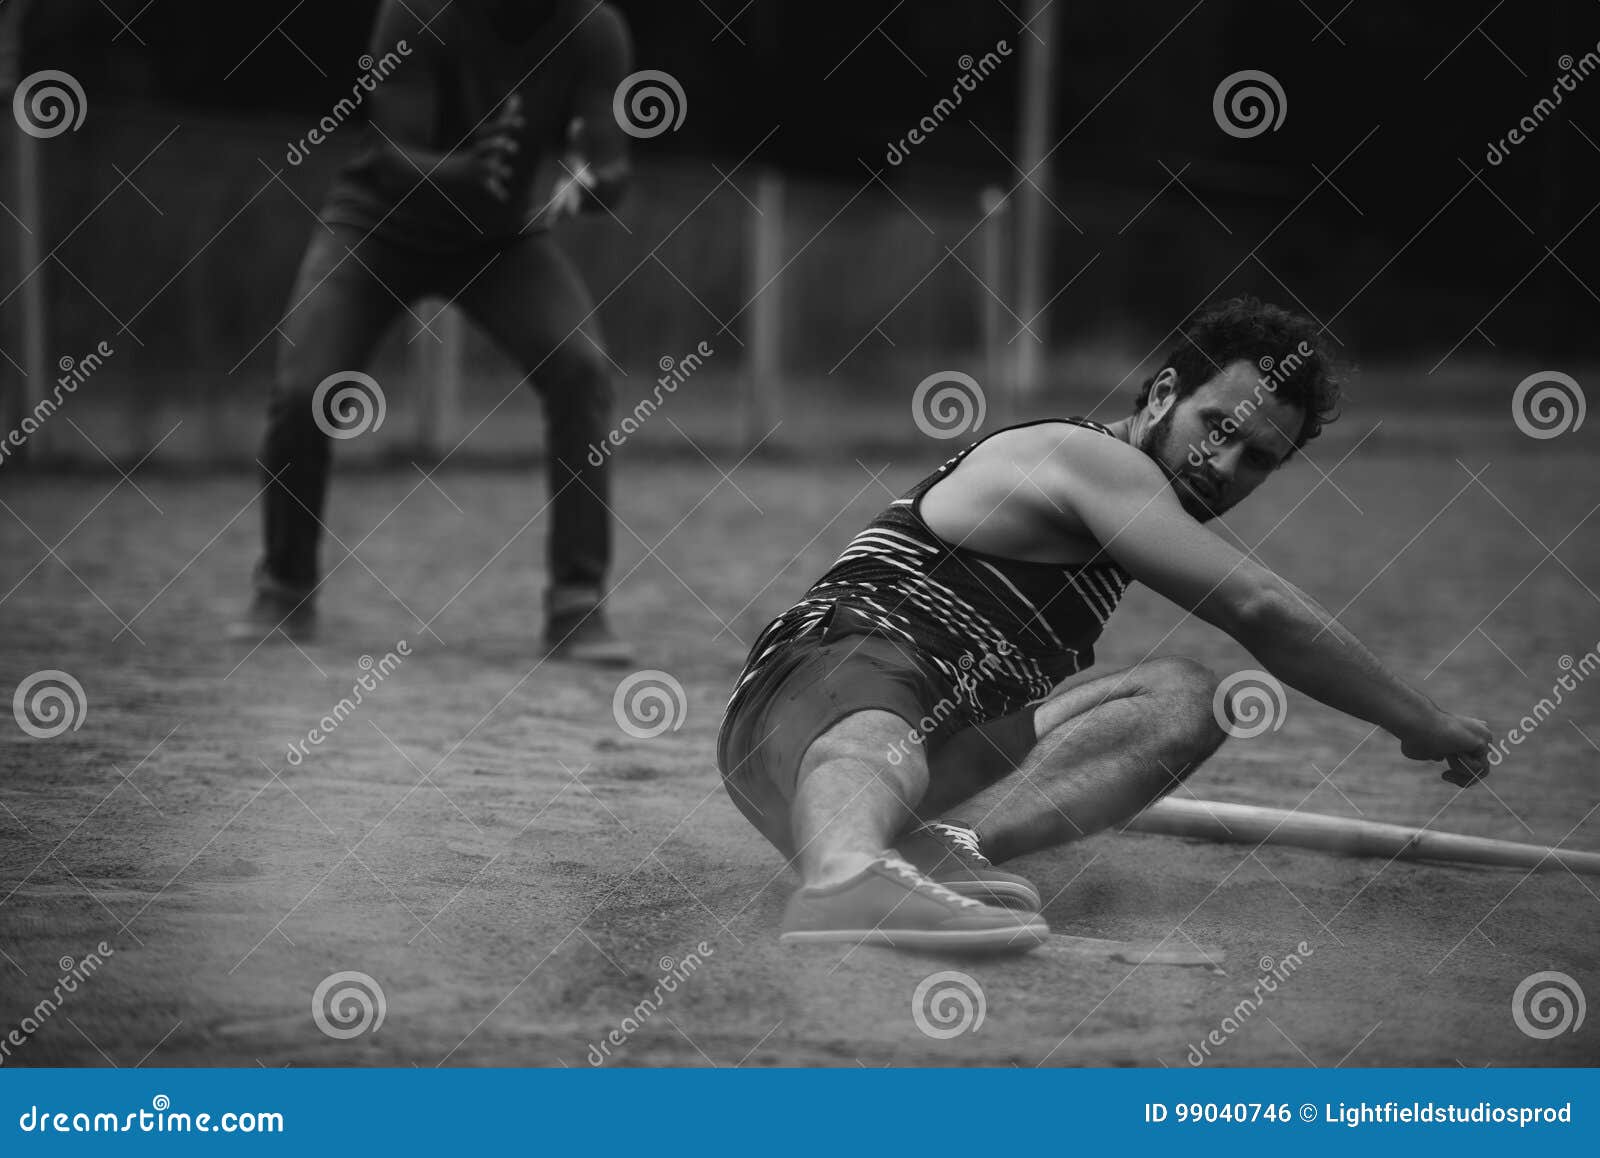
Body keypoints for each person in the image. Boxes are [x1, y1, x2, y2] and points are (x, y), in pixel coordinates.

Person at [716, 297, 1493, 953]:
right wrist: (1418, 721)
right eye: (1218, 427)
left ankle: (938, 851)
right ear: (1160, 396)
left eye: (1257, 459)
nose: (1224, 467)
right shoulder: (1085, 458)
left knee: (1183, 696)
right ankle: (846, 878)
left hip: (931, 753)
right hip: (813, 693)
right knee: (887, 701)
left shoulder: (1133, 509)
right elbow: (1258, 609)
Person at [233, 0, 633, 664]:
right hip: (378, 226)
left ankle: (576, 605)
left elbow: (609, 165)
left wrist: (588, 184)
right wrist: (472, 170)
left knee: (582, 371)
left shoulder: (594, 30)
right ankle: (284, 584)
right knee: (306, 390)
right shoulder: (417, 12)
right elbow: (392, 155)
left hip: (497, 242)